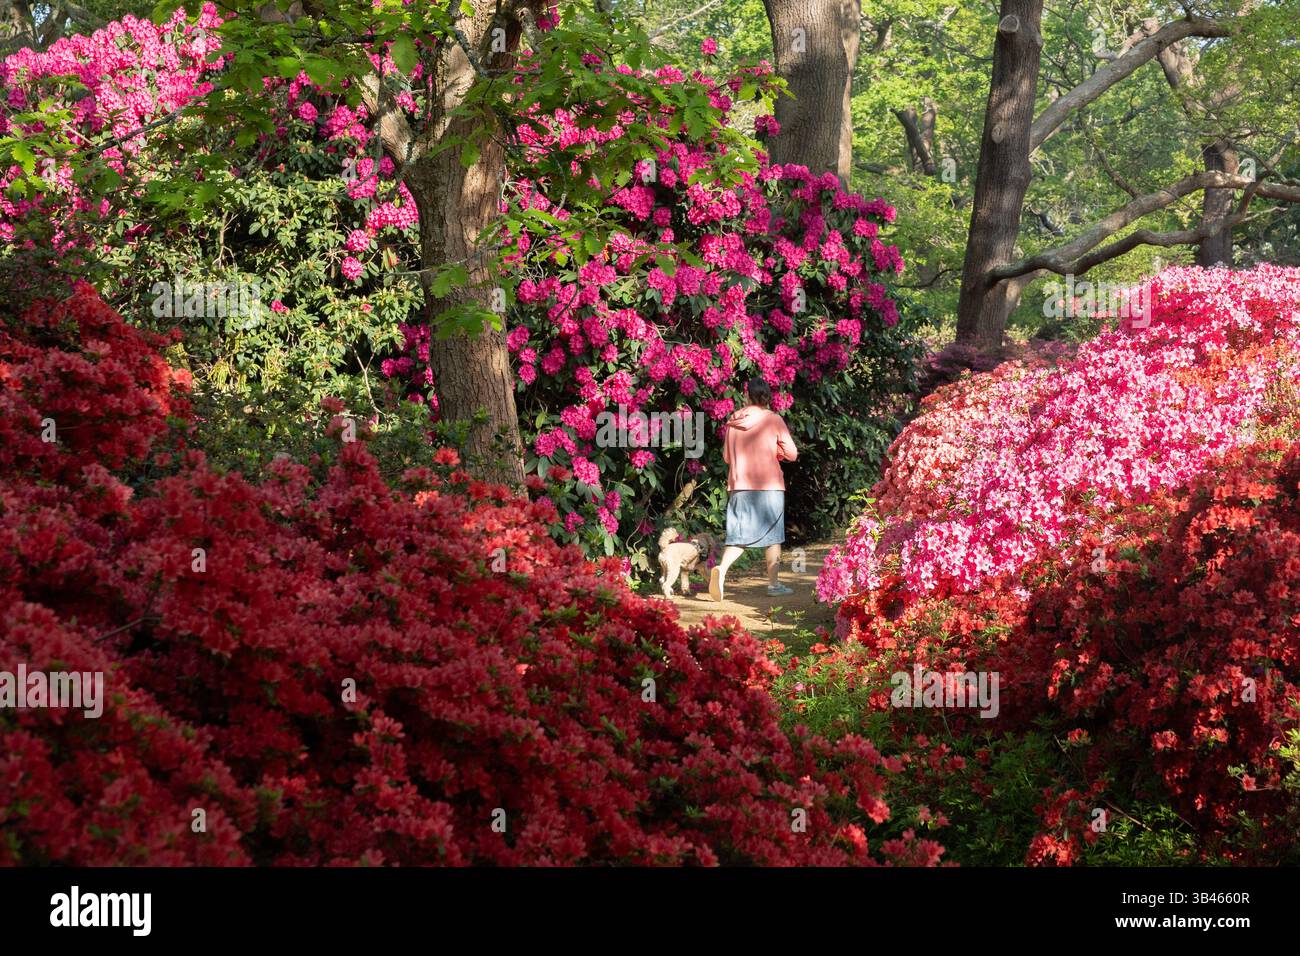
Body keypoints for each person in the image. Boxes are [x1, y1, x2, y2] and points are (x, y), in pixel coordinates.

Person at [709, 377, 797, 602]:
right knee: (773, 536)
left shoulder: (733, 421)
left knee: (738, 536)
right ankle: (774, 585)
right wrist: (776, 453)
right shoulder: (774, 419)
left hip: (740, 485)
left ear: (747, 395)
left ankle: (722, 569)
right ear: (767, 396)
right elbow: (792, 454)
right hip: (769, 486)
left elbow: (727, 457)